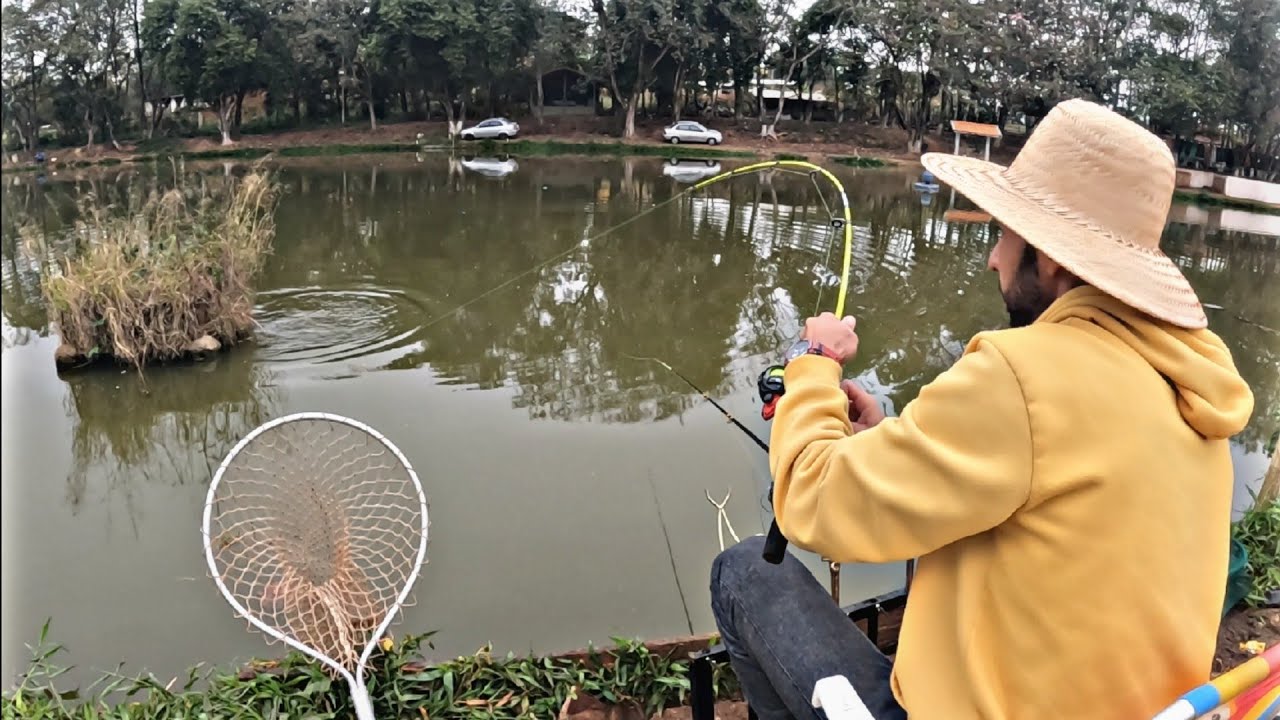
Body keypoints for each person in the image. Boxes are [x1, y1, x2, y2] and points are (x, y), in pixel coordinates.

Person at [709, 98, 1256, 720]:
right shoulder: (1195, 384)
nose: (994, 257)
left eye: (1004, 234)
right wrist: (892, 439)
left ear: (1049, 258)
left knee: (745, 571)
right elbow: (1055, 495)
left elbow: (811, 499)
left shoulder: (1026, 372)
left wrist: (812, 362)